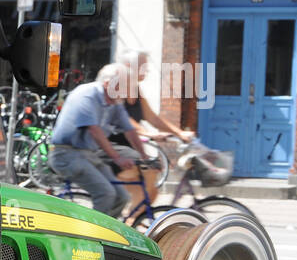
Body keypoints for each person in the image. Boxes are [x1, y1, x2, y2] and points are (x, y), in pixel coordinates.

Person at [48, 63, 151, 217]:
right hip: (65, 154)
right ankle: (90, 238)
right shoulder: (86, 94)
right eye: (123, 85)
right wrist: (117, 158)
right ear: (108, 83)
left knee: (122, 197)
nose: (126, 90)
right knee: (106, 193)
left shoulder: (114, 102)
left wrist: (144, 156)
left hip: (89, 154)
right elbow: (95, 130)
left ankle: (110, 234)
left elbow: (129, 130)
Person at [114, 50, 194, 144]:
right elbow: (122, 117)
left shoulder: (136, 89)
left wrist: (179, 133)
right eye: (142, 66)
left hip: (132, 145)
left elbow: (152, 118)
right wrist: (147, 133)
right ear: (128, 66)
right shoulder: (116, 87)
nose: (147, 70)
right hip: (113, 145)